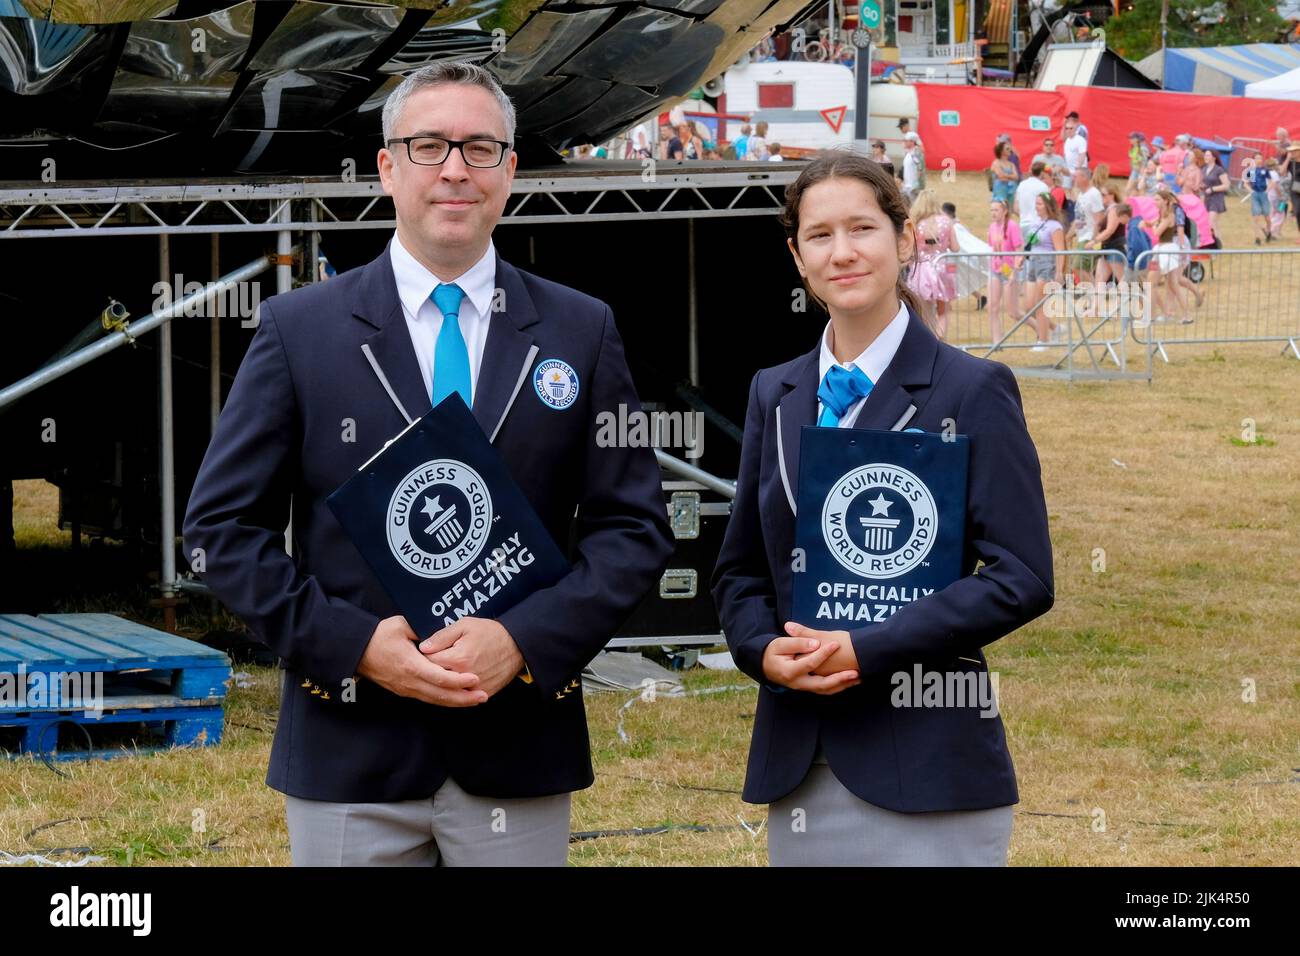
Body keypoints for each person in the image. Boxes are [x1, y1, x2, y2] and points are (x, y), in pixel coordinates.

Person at [182, 62, 674, 867]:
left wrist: (522, 640)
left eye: (480, 148)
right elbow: (221, 532)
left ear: (509, 171)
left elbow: (634, 531)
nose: (454, 169)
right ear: (387, 167)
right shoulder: (299, 331)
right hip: (350, 750)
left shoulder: (581, 331)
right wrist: (353, 645)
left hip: (519, 749)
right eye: (429, 146)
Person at [710, 148, 1053, 867]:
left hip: (928, 761)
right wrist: (763, 651)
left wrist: (867, 648)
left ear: (903, 240)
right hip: (799, 761)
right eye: (820, 235)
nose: (842, 252)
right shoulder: (774, 392)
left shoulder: (972, 389)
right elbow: (740, 570)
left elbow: (1021, 575)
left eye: (861, 228)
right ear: (798, 258)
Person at [1014, 192, 1066, 349]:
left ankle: (1043, 341)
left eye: (1040, 204)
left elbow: (1060, 250)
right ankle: (1055, 329)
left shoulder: (1055, 226)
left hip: (1046, 264)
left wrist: (1059, 272)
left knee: (1040, 304)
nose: (1036, 207)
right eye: (1036, 203)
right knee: (1029, 306)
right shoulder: (1035, 223)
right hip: (1033, 263)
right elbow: (1030, 244)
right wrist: (1022, 257)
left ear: (1048, 206)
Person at [906, 188, 959, 339]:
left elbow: (910, 248)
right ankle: (939, 339)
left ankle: (929, 340)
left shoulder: (916, 223)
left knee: (923, 311)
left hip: (921, 269)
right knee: (944, 310)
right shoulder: (946, 221)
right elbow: (955, 248)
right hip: (942, 267)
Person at [987, 197, 1023, 344]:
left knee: (1012, 311)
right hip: (995, 268)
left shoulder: (1013, 226)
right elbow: (992, 246)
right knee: (992, 307)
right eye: (991, 210)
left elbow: (1019, 250)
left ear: (1005, 211)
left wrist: (1014, 272)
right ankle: (997, 341)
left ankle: (1041, 330)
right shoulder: (991, 227)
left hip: (1009, 270)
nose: (993, 213)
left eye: (996, 210)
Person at [1086, 186, 1127, 288]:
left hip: (1115, 248)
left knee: (1122, 281)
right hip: (1107, 248)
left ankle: (1136, 296)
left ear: (1112, 195)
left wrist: (1094, 241)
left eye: (1103, 195)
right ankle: (1097, 300)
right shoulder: (1108, 210)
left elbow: (1110, 230)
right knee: (1099, 281)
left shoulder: (1115, 209)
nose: (1101, 197)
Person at [1068, 166, 1103, 279]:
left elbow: (1099, 219)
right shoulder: (1081, 195)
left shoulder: (1094, 194)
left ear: (1084, 177)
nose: (1073, 179)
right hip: (1082, 237)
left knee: (1079, 268)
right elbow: (1079, 218)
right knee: (1080, 269)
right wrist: (1069, 236)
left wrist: (1094, 240)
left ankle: (1092, 290)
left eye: (1075, 176)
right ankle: (1092, 289)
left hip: (1089, 238)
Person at [1015, 159, 1052, 236]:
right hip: (1038, 225)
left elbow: (1016, 208)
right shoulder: (1043, 186)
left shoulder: (1021, 185)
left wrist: (1024, 216)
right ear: (1042, 173)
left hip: (1023, 224)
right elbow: (1048, 206)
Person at [1202, 148, 1230, 238]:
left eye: (1208, 155)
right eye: (1205, 155)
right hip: (1207, 199)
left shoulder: (1219, 170)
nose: (1205, 157)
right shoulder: (1204, 169)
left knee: (1211, 223)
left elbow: (1226, 185)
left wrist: (1213, 189)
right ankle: (1217, 242)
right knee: (1212, 224)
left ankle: (1216, 243)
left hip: (1216, 199)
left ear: (1214, 157)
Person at [1248, 151, 1274, 244]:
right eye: (1257, 158)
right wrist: (1251, 191)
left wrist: (1267, 190)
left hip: (1264, 194)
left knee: (1267, 217)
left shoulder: (1265, 170)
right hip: (1255, 195)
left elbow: (1271, 181)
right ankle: (1257, 238)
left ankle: (1268, 232)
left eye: (1260, 158)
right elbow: (1246, 183)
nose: (1259, 160)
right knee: (1256, 217)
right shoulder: (1251, 171)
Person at [990, 141, 1018, 206]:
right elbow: (1001, 177)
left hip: (1011, 189)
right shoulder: (996, 162)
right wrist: (1011, 177)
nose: (1010, 150)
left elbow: (1016, 177)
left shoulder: (1011, 164)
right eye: (1007, 149)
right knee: (1000, 206)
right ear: (1001, 151)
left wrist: (1005, 176)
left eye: (1010, 148)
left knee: (1010, 207)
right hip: (1000, 190)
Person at [901, 131, 924, 203]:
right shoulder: (909, 153)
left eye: (906, 141)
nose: (904, 142)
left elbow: (920, 169)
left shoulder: (915, 153)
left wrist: (916, 185)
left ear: (912, 142)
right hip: (907, 187)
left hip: (912, 189)